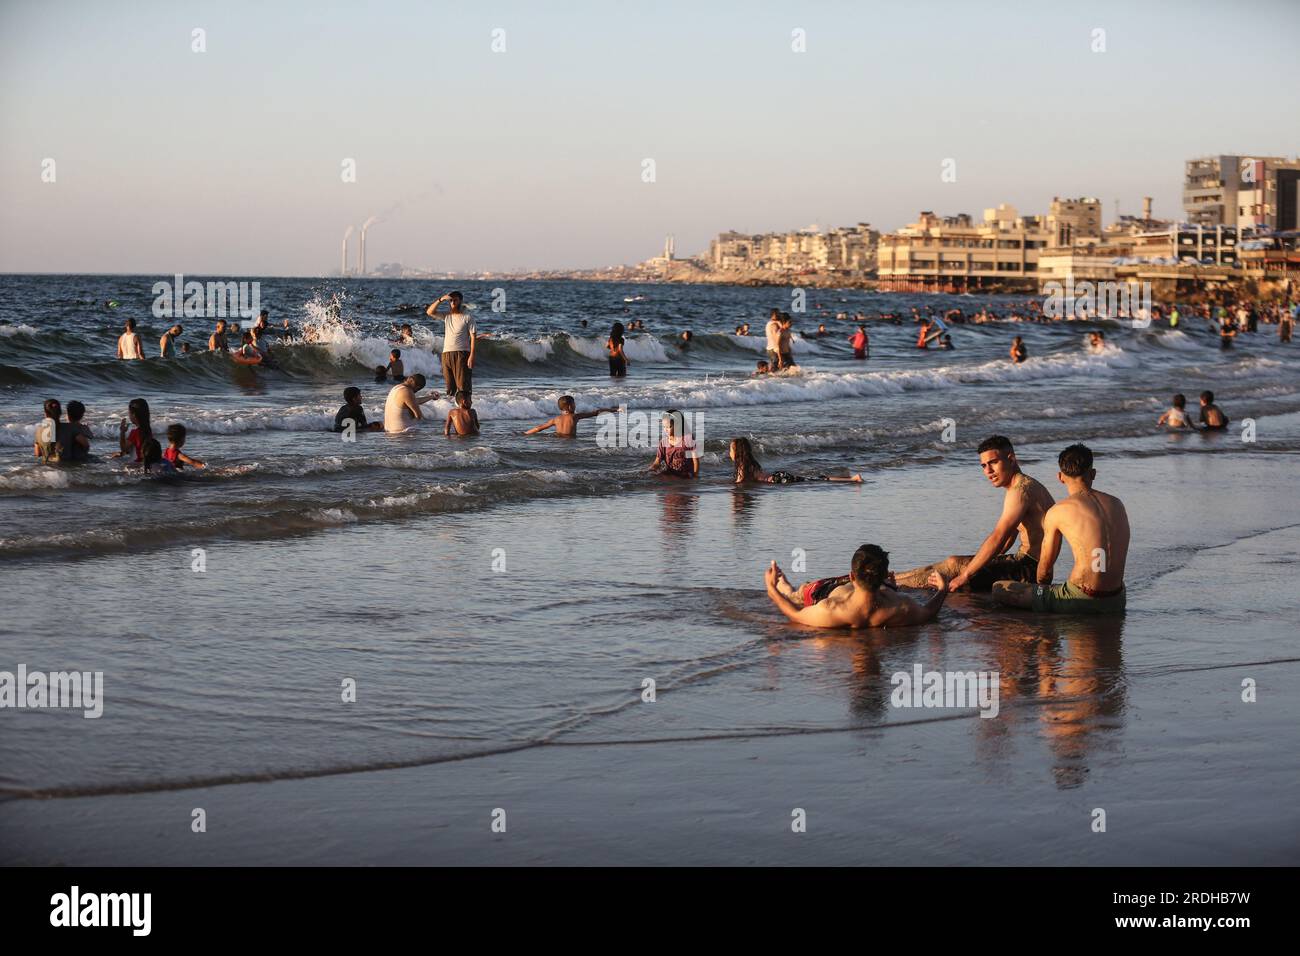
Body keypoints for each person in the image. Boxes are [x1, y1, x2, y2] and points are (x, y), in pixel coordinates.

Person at [894, 435, 1055, 592]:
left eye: (993, 462)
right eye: (984, 465)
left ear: (1011, 459)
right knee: (954, 561)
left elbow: (999, 536)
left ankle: (892, 585)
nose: (988, 471)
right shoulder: (1022, 485)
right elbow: (1008, 538)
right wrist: (983, 563)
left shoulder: (1020, 491)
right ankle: (893, 578)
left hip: (1028, 571)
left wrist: (966, 575)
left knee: (956, 568)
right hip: (1023, 563)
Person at [993, 444, 1128, 615]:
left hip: (1079, 598)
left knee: (999, 588)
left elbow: (1045, 569)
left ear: (1060, 477)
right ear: (1092, 473)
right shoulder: (1117, 504)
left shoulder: (1058, 511)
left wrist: (1041, 592)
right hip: (1117, 599)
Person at [765, 544, 948, 629]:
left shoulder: (831, 610)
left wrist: (772, 589)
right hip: (880, 590)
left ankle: (782, 582)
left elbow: (795, 615)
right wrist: (942, 589)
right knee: (888, 590)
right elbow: (928, 612)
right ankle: (782, 581)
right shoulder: (902, 608)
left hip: (828, 590)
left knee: (793, 594)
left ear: (851, 576)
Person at [729, 437, 862, 484]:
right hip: (779, 477)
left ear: (738, 452)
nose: (729, 453)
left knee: (817, 480)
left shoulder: (743, 467)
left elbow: (739, 484)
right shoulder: (750, 463)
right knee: (816, 479)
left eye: (731, 450)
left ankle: (852, 479)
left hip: (779, 479)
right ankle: (848, 478)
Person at [426, 291, 476, 397]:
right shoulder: (447, 316)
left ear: (460, 301)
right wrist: (441, 300)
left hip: (461, 353)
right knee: (450, 389)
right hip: (446, 354)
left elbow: (473, 337)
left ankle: (465, 411)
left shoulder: (468, 317)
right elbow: (429, 312)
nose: (453, 302)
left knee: (463, 387)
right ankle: (451, 411)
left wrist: (471, 355)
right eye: (451, 300)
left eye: (455, 300)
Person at [523, 396, 615, 437]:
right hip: (570, 439)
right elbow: (596, 412)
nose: (575, 406)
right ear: (571, 406)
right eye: (574, 404)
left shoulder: (555, 419)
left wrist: (526, 433)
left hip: (558, 439)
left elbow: (539, 428)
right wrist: (614, 410)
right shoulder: (575, 416)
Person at [649, 410, 698, 479]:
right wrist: (650, 470)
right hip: (670, 472)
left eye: (669, 427)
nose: (666, 429)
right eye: (664, 427)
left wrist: (695, 476)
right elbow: (657, 462)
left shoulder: (688, 439)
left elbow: (695, 460)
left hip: (686, 474)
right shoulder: (663, 443)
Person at [112, 398, 152, 462]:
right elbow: (137, 447)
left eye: (129, 413)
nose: (129, 415)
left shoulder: (135, 432)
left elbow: (123, 448)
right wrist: (121, 454)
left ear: (134, 415)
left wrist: (122, 432)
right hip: (146, 462)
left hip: (137, 464)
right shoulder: (148, 430)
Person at [33, 399, 62, 463]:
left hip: (47, 468)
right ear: (60, 413)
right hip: (67, 467)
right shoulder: (69, 428)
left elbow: (38, 453)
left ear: (45, 413)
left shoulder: (39, 430)